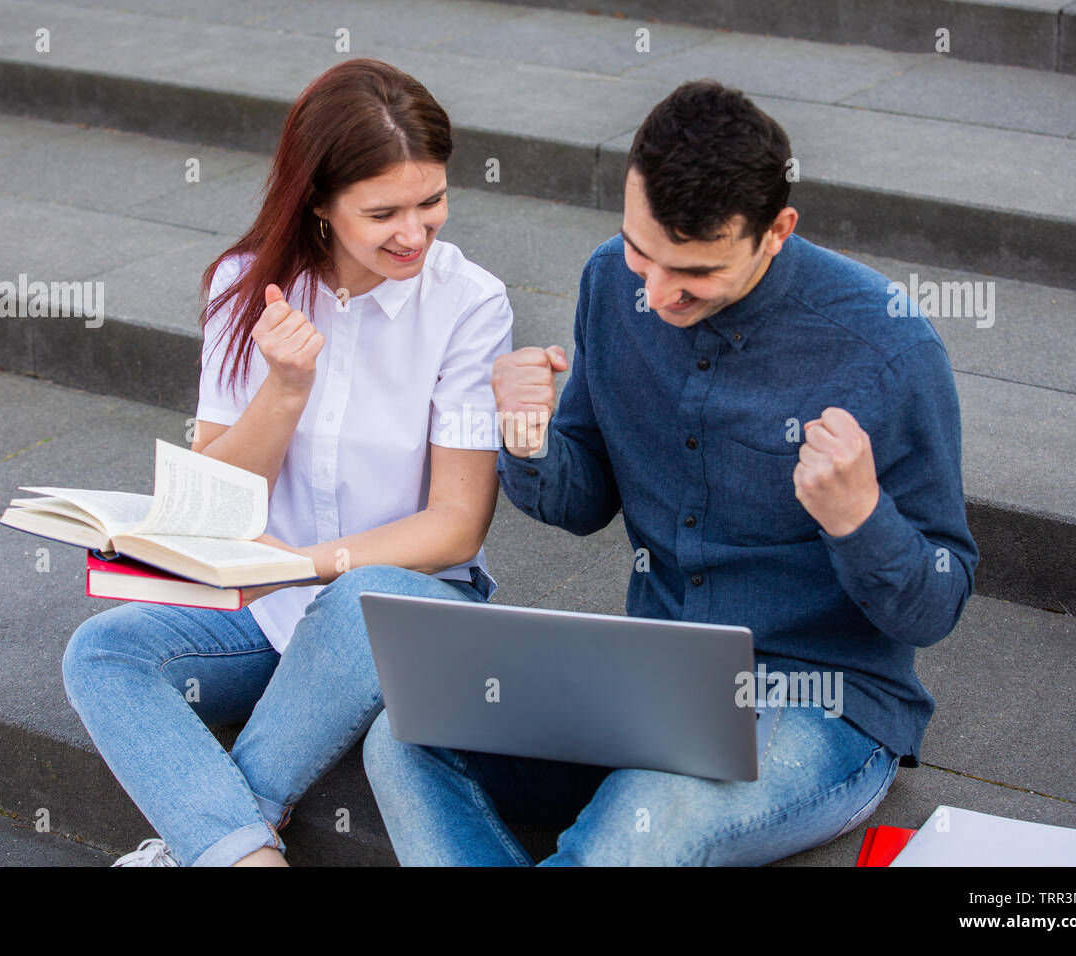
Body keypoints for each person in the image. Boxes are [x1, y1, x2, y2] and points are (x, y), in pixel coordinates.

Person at [361, 79, 980, 866]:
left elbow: (937, 601)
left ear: (777, 230)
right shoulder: (611, 286)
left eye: (694, 273)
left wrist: (862, 519)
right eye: (640, 250)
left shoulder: (887, 350)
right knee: (408, 733)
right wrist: (526, 438)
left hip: (821, 704)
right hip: (652, 684)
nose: (655, 293)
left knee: (639, 822)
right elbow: (584, 497)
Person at [61, 58, 513, 866]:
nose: (414, 233)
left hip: (409, 608)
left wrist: (308, 563)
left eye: (432, 201)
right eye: (383, 212)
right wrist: (285, 388)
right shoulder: (247, 286)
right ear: (319, 203)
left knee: (363, 598)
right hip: (265, 613)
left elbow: (456, 526)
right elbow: (213, 500)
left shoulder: (469, 303)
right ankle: (249, 859)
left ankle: (223, 828)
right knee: (102, 650)